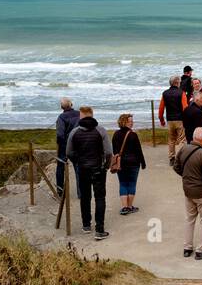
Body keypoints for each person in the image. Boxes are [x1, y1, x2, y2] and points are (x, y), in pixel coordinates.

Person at [172, 127, 202, 260]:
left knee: (189, 219)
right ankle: (201, 250)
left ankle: (187, 247)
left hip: (188, 190)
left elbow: (176, 167)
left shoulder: (183, 149)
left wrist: (187, 177)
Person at [67, 105, 112, 239]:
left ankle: (86, 225)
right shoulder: (101, 130)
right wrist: (106, 166)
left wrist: (77, 162)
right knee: (100, 197)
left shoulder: (74, 132)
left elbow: (69, 152)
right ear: (92, 114)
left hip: (82, 169)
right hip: (98, 168)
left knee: (85, 197)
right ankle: (99, 229)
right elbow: (109, 152)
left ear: (81, 115)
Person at [112, 113, 146, 215]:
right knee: (131, 183)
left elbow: (114, 150)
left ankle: (124, 207)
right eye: (130, 121)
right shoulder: (133, 135)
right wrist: (143, 163)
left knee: (122, 183)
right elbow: (138, 151)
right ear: (124, 122)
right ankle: (130, 206)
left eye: (132, 121)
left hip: (121, 163)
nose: (132, 123)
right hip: (133, 163)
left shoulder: (115, 134)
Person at [54, 97, 79, 197]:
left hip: (65, 145)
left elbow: (60, 134)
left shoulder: (61, 117)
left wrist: (61, 144)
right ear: (71, 104)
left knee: (60, 167)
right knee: (78, 167)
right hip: (77, 144)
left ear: (61, 107)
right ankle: (80, 192)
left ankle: (60, 191)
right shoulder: (79, 114)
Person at [159, 76, 185, 163]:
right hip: (180, 119)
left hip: (170, 120)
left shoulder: (165, 93)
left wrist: (161, 120)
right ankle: (181, 158)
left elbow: (161, 109)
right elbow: (185, 108)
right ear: (177, 83)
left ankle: (172, 158)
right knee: (181, 139)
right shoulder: (181, 93)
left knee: (171, 139)